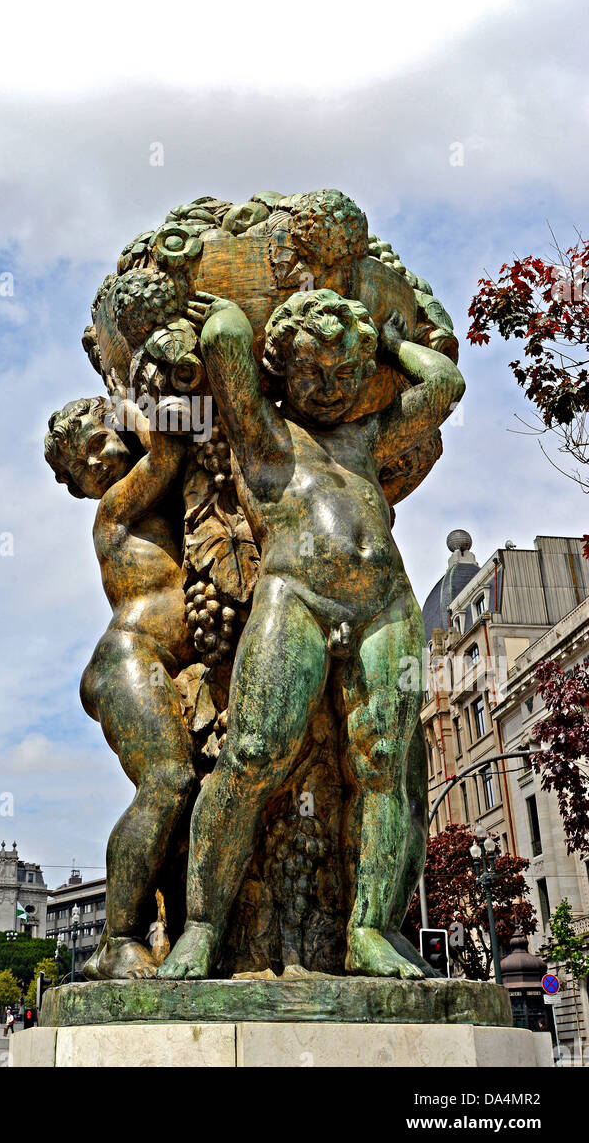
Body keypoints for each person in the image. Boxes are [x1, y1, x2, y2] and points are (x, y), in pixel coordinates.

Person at [159, 289, 463, 982]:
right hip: (295, 590)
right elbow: (227, 343)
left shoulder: (367, 439)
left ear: (361, 376)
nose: (327, 387)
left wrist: (387, 343)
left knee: (386, 761)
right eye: (309, 372)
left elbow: (444, 382)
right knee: (255, 752)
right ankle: (202, 929)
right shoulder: (262, 435)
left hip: (385, 600)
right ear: (283, 374)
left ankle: (371, 931)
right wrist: (228, 305)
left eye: (343, 373)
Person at [44, 393, 197, 979]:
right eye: (89, 454)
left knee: (182, 798)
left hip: (166, 662)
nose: (106, 452)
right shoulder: (114, 508)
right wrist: (125, 408)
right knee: (169, 779)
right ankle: (117, 937)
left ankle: (171, 927)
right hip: (129, 655)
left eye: (104, 435)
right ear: (79, 482)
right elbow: (167, 449)